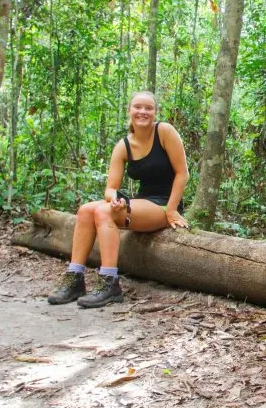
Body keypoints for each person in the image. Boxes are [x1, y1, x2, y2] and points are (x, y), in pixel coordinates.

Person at [48, 91, 190, 308]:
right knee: (86, 210)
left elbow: (182, 173)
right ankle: (75, 277)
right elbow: (111, 188)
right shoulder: (123, 145)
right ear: (130, 111)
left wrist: (171, 210)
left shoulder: (164, 132)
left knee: (103, 212)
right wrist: (115, 200)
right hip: (141, 203)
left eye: (148, 108)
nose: (143, 112)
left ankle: (109, 283)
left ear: (155, 112)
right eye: (138, 107)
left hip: (163, 204)